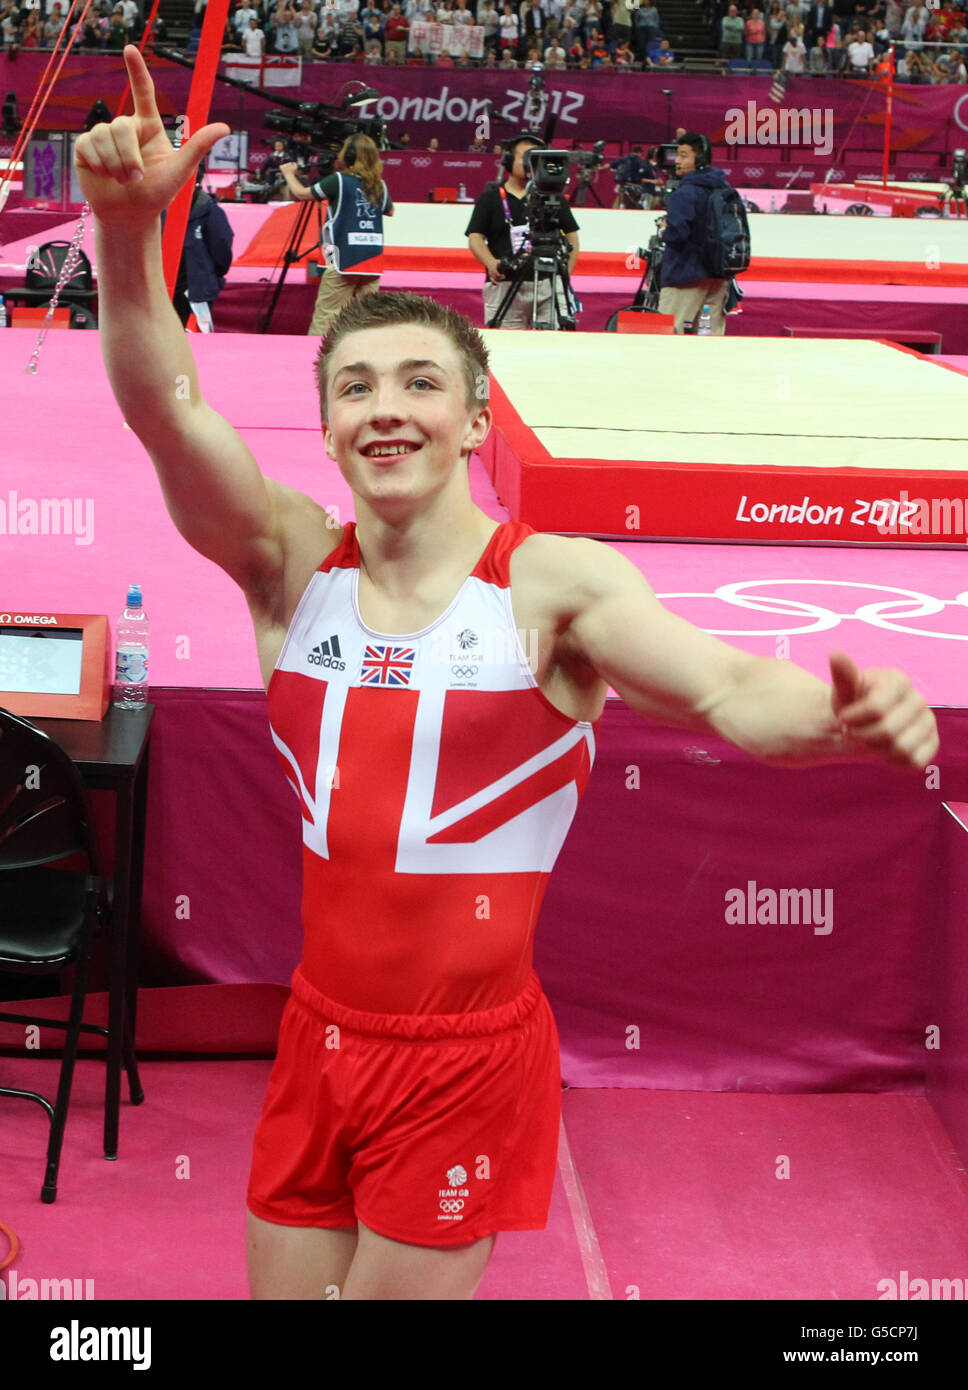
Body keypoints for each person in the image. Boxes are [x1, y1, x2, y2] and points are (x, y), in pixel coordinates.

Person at [74, 46, 940, 1302]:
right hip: (315, 1036)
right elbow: (166, 411)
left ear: (476, 420)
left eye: (420, 383)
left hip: (463, 1060)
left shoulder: (549, 589)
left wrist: (836, 716)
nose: (386, 408)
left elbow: (720, 690)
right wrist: (120, 234)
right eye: (355, 387)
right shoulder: (286, 565)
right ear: (325, 428)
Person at [278, 133, 394, 337]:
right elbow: (390, 211)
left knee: (327, 316)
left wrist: (289, 174)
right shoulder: (380, 185)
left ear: (348, 156)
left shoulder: (339, 180)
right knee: (365, 320)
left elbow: (302, 193)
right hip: (372, 261)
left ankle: (315, 353)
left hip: (341, 258)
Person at [465, 132, 580, 329]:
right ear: (509, 161)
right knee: (505, 343)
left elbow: (572, 239)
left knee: (554, 342)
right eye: (526, 157)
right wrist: (491, 263)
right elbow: (475, 237)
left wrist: (565, 276)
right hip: (505, 283)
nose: (531, 163)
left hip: (548, 284)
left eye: (536, 158)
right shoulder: (490, 199)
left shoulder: (553, 198)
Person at [657, 132, 735, 335]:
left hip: (685, 274)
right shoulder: (724, 188)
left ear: (699, 158)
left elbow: (678, 234)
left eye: (683, 155)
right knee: (710, 337)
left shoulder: (686, 192)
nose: (677, 161)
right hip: (719, 275)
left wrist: (664, 232)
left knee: (669, 333)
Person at [171, 166, 235, 332]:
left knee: (195, 337)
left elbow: (221, 249)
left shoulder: (209, 211)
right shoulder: (159, 209)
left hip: (195, 289)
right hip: (165, 289)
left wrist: (210, 274)